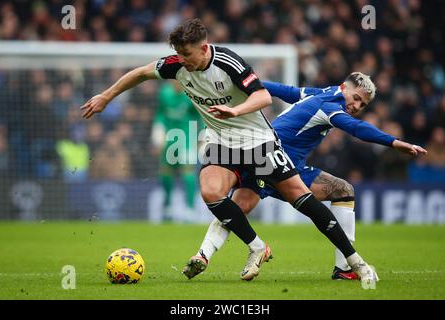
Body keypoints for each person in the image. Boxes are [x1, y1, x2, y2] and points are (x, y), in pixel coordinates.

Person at [81, 18, 377, 284]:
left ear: (204, 47)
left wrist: (235, 111)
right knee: (211, 192)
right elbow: (143, 73)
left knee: (303, 200)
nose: (181, 60)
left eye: (187, 53)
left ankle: (355, 262)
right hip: (221, 141)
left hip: (257, 140)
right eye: (178, 53)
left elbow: (262, 97)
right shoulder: (176, 64)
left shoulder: (229, 63)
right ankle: (257, 247)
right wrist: (106, 96)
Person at [182, 72, 427, 281]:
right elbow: (357, 128)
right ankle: (346, 266)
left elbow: (282, 90)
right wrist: (394, 142)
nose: (356, 107)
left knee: (241, 206)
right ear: (344, 88)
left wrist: (248, 84)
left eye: (362, 105)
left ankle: (203, 255)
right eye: (355, 98)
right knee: (338, 191)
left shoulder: (316, 93)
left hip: (273, 160)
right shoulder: (329, 107)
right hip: (277, 164)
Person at [151, 80, 203, 222]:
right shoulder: (165, 93)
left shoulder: (191, 94)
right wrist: (158, 128)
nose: (176, 83)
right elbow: (160, 113)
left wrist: (202, 134)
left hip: (187, 136)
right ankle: (167, 207)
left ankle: (190, 209)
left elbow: (199, 114)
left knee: (187, 172)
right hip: (169, 137)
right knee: (166, 172)